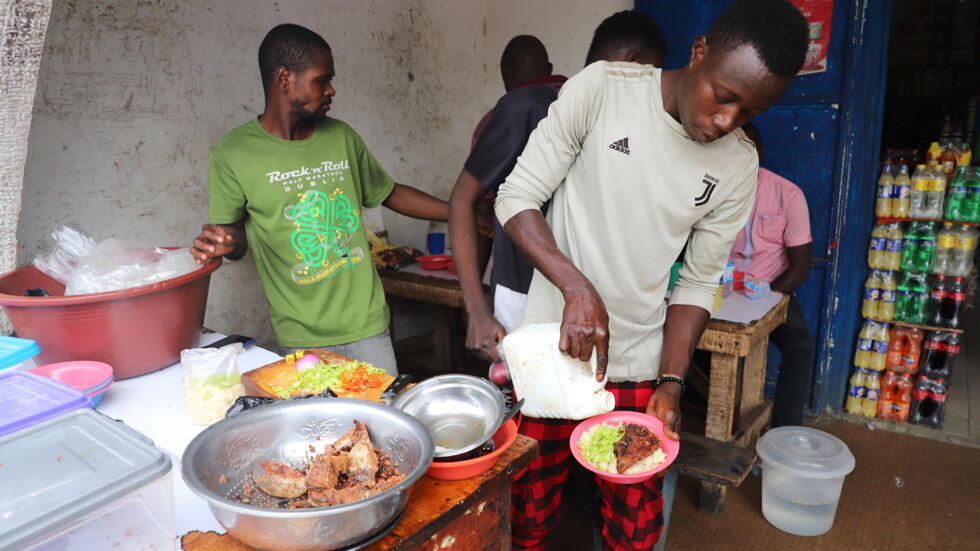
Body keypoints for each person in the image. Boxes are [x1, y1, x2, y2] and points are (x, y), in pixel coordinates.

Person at [494, 0, 808, 548]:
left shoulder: (737, 163)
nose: (727, 121)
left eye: (749, 114)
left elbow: (696, 281)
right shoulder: (603, 89)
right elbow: (516, 196)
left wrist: (671, 381)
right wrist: (577, 286)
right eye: (724, 97)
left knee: (634, 528)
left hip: (639, 363)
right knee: (527, 512)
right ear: (700, 52)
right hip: (550, 354)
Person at [190, 24, 448, 375]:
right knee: (320, 429)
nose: (331, 90)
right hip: (300, 335)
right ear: (284, 79)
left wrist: (458, 212)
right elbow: (236, 243)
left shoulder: (342, 137)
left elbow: (389, 192)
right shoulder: (232, 153)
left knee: (382, 423)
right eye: (321, 80)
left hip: (368, 328)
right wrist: (226, 241)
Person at [451, 11, 669, 364]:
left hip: (593, 301)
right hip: (524, 297)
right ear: (635, 64)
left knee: (588, 411)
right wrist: (476, 307)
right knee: (525, 407)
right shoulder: (528, 107)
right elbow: (464, 199)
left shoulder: (626, 121)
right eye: (655, 73)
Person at [730, 123, 815, 427]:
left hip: (772, 291)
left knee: (801, 346)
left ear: (760, 153)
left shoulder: (787, 194)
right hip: (722, 291)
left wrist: (768, 298)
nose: (736, 158)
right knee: (686, 340)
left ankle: (784, 429)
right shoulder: (714, 191)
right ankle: (692, 412)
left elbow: (800, 267)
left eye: (745, 151)